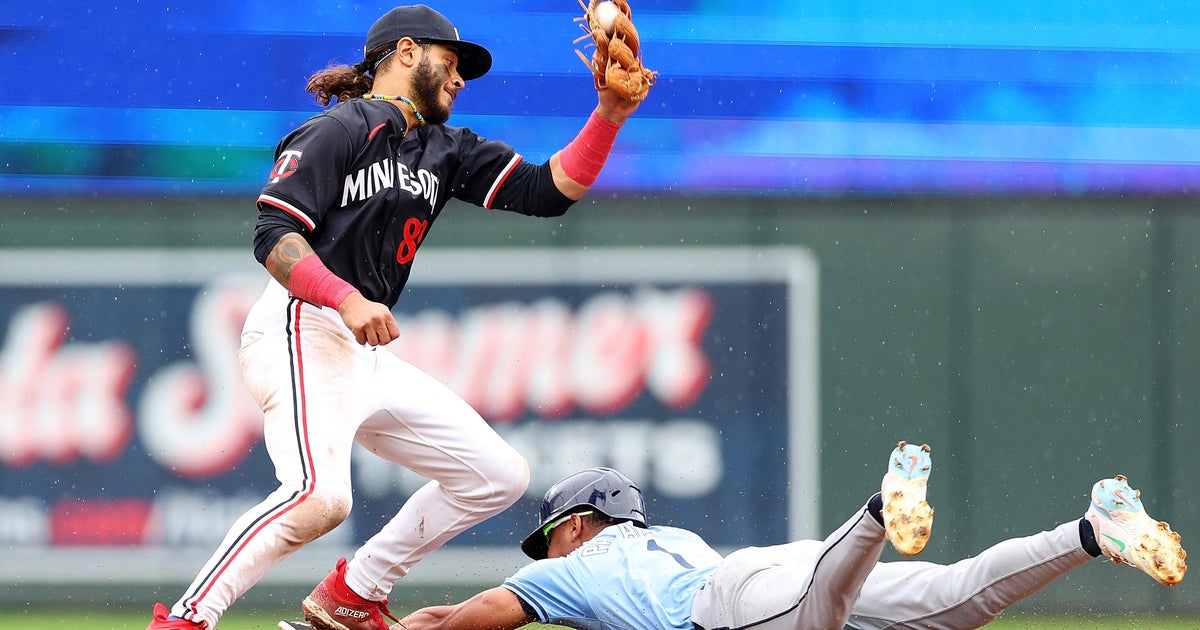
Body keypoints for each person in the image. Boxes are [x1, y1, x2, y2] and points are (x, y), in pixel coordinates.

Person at [146, 4, 646, 630]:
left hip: (361, 350)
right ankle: (187, 620)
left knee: (496, 476)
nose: (461, 78)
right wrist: (347, 299)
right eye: (452, 61)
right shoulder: (339, 129)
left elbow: (549, 191)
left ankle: (356, 591)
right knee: (319, 497)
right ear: (407, 52)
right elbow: (273, 233)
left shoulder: (447, 149)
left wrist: (608, 117)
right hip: (302, 325)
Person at [393, 441, 1187, 630]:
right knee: (953, 602)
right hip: (778, 565)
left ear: (574, 525)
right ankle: (1092, 529)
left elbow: (455, 623)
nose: (545, 552)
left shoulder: (572, 567)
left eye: (548, 537)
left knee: (815, 619)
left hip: (734, 603)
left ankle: (882, 506)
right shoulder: (661, 535)